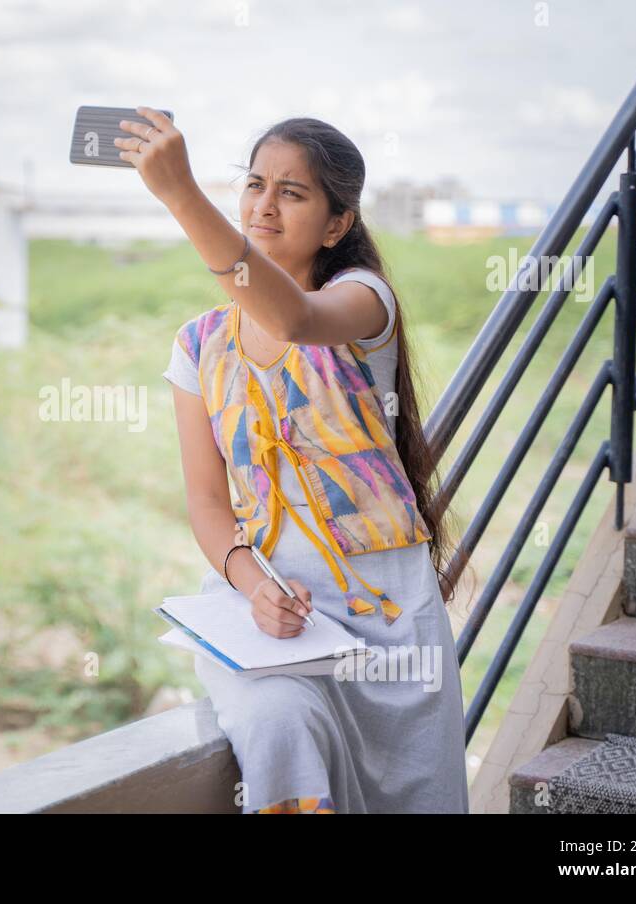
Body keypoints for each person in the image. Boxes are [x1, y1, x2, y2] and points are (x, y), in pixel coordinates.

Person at [118, 109, 468, 813]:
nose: (263, 206)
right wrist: (253, 587)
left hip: (389, 622)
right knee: (276, 723)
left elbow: (293, 321)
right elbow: (208, 505)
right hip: (271, 620)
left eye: (292, 192)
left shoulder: (363, 302)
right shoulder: (200, 346)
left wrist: (181, 194)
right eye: (254, 185)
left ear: (337, 224)